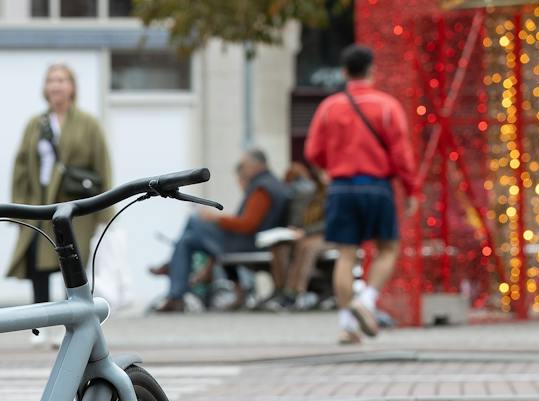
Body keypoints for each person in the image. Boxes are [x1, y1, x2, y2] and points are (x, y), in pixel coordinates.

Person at [304, 43, 420, 345]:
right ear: (372, 70)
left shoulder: (329, 107)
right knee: (388, 248)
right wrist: (411, 190)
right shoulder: (387, 106)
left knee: (345, 255)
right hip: (377, 186)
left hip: (341, 187)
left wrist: (328, 171)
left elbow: (313, 151)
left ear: (344, 72)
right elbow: (402, 155)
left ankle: (347, 326)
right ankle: (367, 301)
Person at [6, 63, 112, 327]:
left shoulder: (88, 124)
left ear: (72, 87)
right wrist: (17, 207)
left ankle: (73, 323)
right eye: (51, 80)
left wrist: (104, 212)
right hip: (39, 205)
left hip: (74, 207)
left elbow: (102, 166)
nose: (56, 85)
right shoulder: (36, 124)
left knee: (71, 266)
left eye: (62, 80)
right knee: (36, 265)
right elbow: (20, 167)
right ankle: (40, 323)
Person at [150, 149, 289, 313]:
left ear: (255, 165)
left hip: (248, 243)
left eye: (243, 165)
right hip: (247, 241)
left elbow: (248, 224)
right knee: (186, 241)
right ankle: (175, 295)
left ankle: (173, 282)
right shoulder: (269, 184)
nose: (241, 169)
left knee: (194, 220)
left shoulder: (262, 188)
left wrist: (216, 218)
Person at [259, 162, 328, 312]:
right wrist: (295, 228)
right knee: (279, 247)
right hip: (305, 234)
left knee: (307, 246)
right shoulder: (310, 192)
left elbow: (330, 222)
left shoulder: (334, 193)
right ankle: (281, 289)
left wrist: (305, 232)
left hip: (327, 235)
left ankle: (297, 292)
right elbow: (298, 216)